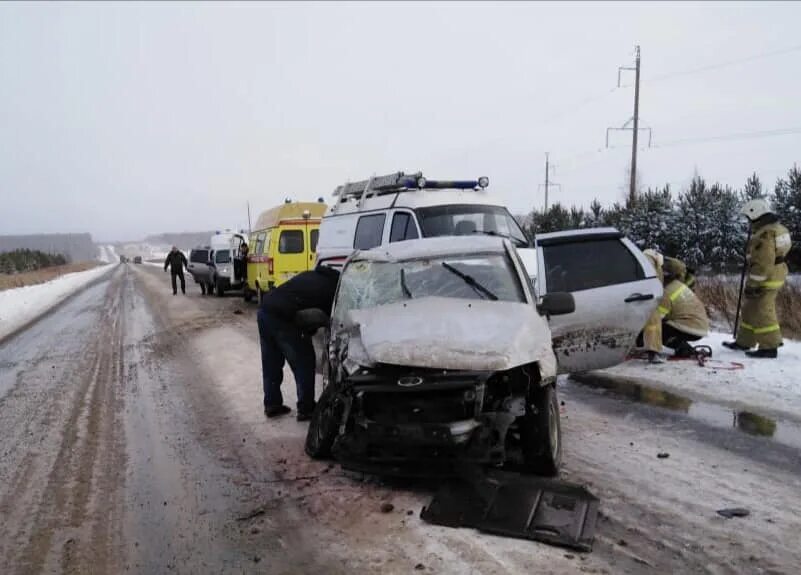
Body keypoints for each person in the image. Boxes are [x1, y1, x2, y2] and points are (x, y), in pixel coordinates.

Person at [258, 266, 340, 421]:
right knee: (304, 360)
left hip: (265, 309)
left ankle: (272, 403)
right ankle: (306, 408)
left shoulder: (310, 275)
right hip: (283, 316)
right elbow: (334, 320)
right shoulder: (332, 290)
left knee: (271, 362)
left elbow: (304, 303)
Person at [724, 199, 792, 358]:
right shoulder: (778, 228)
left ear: (755, 214)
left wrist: (754, 283)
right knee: (749, 308)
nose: (747, 221)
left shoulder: (765, 234)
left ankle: (769, 346)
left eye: (748, 217)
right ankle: (745, 341)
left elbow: (763, 262)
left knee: (762, 309)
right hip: (775, 272)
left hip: (766, 276)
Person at [657, 264, 710, 357]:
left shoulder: (666, 292)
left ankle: (683, 348)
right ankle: (681, 345)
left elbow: (657, 317)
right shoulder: (677, 285)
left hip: (691, 327)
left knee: (655, 328)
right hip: (699, 325)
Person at [638, 249, 665, 363]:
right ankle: (653, 353)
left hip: (641, 296)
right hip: (650, 297)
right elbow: (655, 280)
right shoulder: (651, 261)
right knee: (653, 324)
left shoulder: (644, 257)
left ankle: (646, 349)